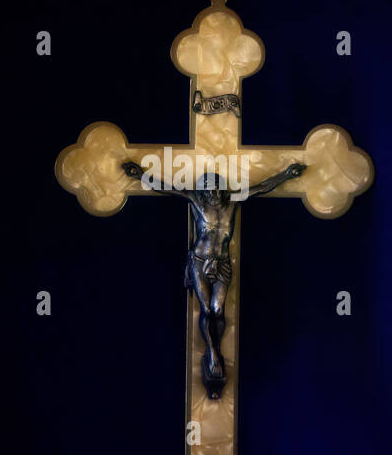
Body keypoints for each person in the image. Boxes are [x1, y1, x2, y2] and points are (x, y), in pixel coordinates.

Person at [121, 159, 306, 397]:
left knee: (219, 310)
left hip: (222, 263)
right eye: (209, 189)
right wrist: (140, 176)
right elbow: (166, 187)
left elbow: (263, 187)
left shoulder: (233, 203)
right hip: (199, 262)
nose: (215, 193)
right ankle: (214, 352)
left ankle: (214, 352)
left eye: (218, 188)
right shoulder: (197, 201)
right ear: (203, 191)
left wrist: (287, 175)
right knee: (207, 309)